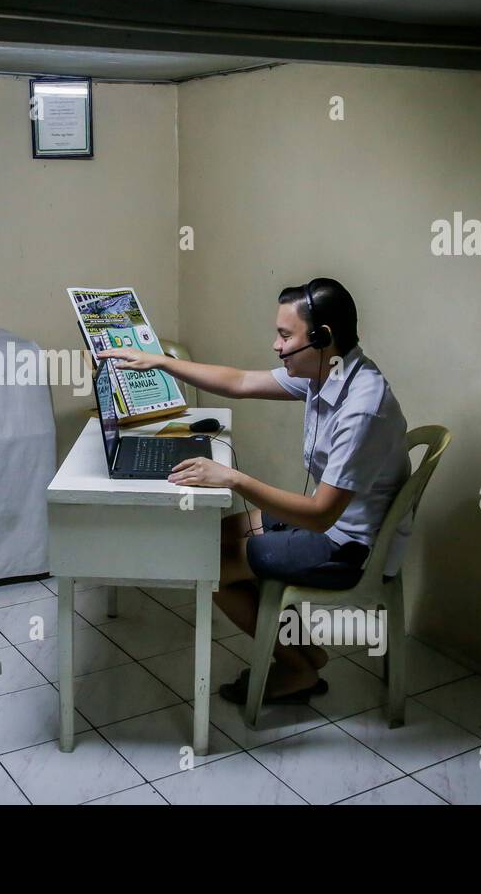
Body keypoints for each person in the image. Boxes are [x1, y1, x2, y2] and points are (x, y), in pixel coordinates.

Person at [96, 278, 410, 705]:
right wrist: (157, 362)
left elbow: (320, 515)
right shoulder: (330, 369)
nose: (276, 346)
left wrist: (233, 479)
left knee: (210, 565)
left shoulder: (362, 408)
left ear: (322, 338)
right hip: (333, 520)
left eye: (285, 335)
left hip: (349, 543)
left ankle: (297, 669)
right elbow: (240, 381)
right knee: (214, 536)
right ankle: (306, 651)